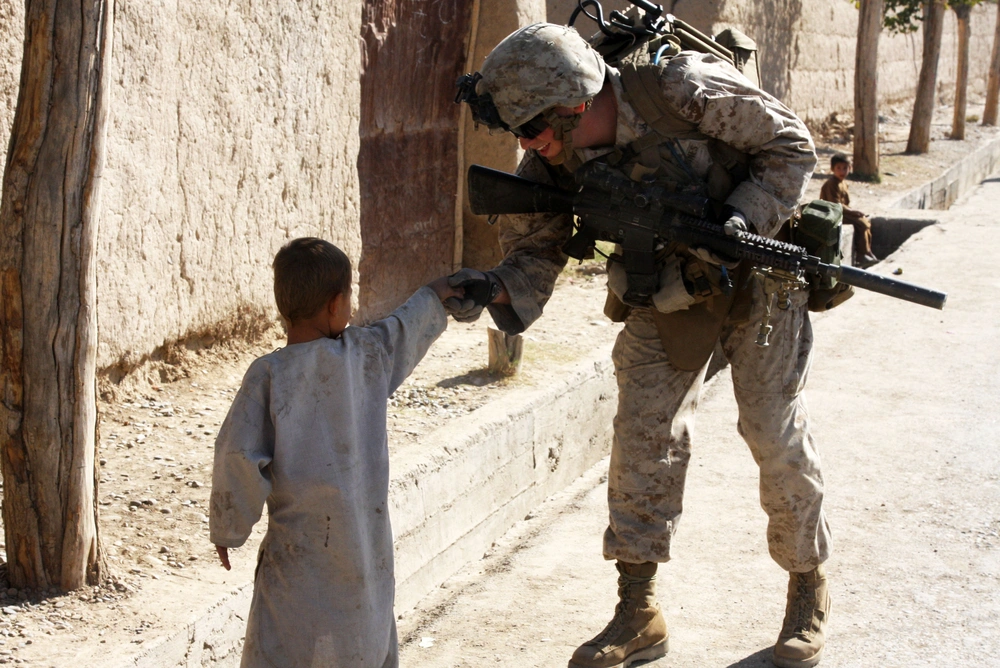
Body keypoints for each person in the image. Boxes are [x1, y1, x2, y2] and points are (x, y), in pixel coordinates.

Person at [451, 23, 831, 668]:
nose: (527, 144)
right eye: (519, 133)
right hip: (669, 289)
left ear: (573, 105)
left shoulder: (681, 91)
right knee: (642, 436)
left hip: (762, 280)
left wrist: (739, 221)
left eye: (532, 128)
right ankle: (638, 609)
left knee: (771, 432)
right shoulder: (550, 156)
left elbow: (791, 145)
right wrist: (494, 292)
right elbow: (533, 248)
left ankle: (806, 585)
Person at [209, 237, 461, 668]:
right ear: (335, 304)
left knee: (286, 643)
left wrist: (228, 529)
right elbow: (406, 327)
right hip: (364, 557)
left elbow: (238, 457)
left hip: (299, 561)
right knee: (364, 637)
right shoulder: (368, 355)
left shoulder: (269, 375)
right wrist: (436, 295)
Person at [820, 152, 879, 268]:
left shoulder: (843, 183)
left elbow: (845, 203)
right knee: (861, 222)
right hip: (831, 213)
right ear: (832, 169)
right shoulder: (831, 184)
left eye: (845, 168)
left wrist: (854, 211)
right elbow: (836, 205)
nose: (842, 171)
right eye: (838, 168)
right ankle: (862, 256)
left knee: (865, 221)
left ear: (850, 168)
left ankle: (867, 252)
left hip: (840, 212)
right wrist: (852, 212)